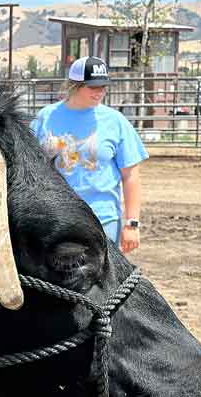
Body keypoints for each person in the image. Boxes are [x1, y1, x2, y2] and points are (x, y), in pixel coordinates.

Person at [31, 56, 148, 253]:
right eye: (93, 87)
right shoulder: (45, 117)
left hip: (103, 220)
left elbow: (131, 176)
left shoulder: (115, 121)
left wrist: (132, 223)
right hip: (54, 219)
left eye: (103, 86)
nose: (100, 92)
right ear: (74, 85)